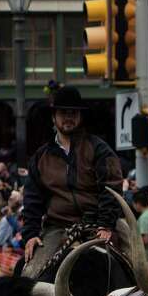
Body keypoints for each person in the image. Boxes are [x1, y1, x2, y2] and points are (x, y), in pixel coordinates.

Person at [20, 86, 122, 278]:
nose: (68, 117)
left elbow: (111, 188)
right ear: (53, 117)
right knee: (28, 274)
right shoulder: (41, 157)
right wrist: (31, 235)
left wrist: (106, 224)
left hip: (97, 226)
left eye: (73, 113)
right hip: (57, 229)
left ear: (80, 117)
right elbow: (32, 200)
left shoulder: (99, 149)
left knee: (132, 272)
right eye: (63, 113)